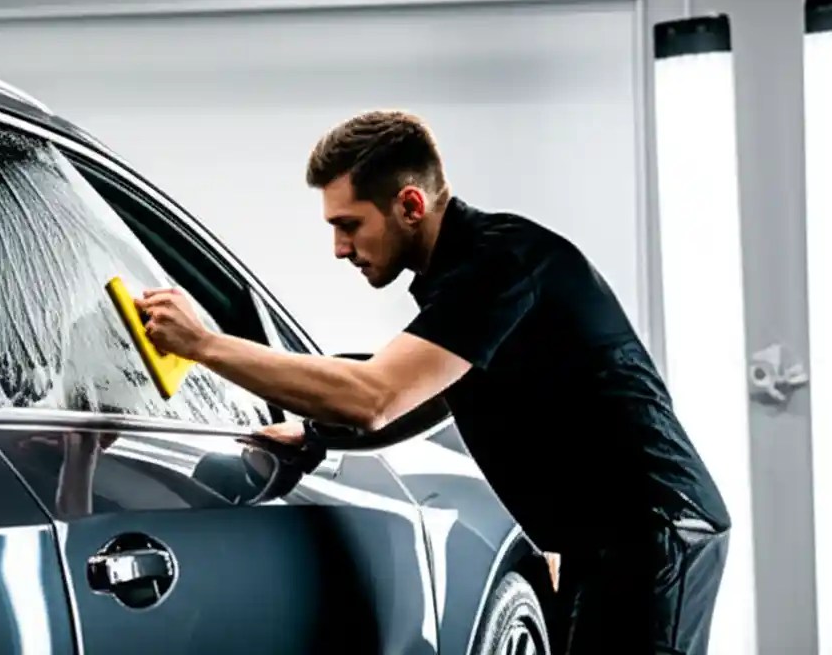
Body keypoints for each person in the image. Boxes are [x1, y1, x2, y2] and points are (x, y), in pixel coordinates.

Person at [134, 110, 732, 654]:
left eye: (349, 225)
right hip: (611, 538)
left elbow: (376, 397)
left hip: (655, 533)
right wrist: (315, 434)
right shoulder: (465, 274)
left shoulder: (500, 264)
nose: (339, 248)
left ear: (411, 205)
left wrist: (202, 344)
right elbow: (429, 396)